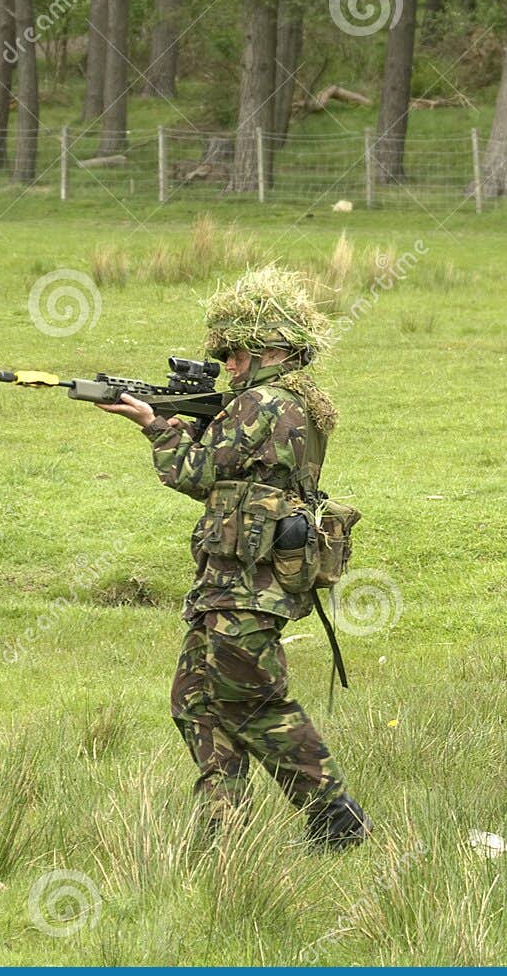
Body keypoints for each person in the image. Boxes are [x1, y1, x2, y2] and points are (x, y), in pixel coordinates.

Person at [98, 265, 370, 851]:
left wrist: (155, 426)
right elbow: (228, 479)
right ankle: (223, 830)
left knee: (251, 698)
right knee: (196, 699)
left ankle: (333, 812)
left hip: (249, 579)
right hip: (236, 577)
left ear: (272, 347)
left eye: (238, 355)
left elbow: (191, 472)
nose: (229, 366)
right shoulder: (294, 402)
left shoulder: (262, 404)